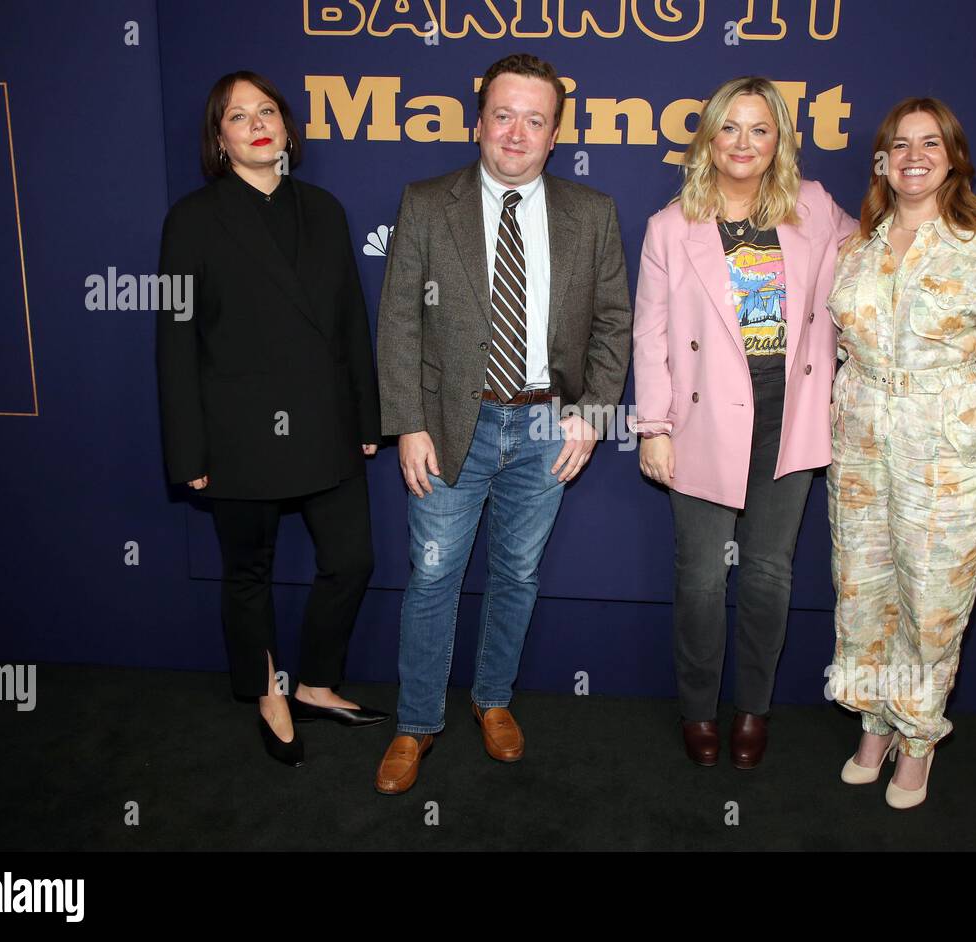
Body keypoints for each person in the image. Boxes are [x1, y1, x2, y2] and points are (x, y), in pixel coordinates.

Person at [373, 53, 632, 795]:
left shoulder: (592, 213)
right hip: (451, 428)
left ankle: (493, 701)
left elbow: (614, 323)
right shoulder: (426, 202)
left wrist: (592, 415)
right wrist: (408, 425)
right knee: (431, 578)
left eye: (535, 119)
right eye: (503, 115)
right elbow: (397, 323)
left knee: (517, 573)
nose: (516, 132)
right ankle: (417, 722)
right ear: (477, 121)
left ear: (555, 134)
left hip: (547, 428)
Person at [826, 97, 976, 808]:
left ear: (953, 156)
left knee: (932, 596)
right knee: (863, 585)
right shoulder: (860, 240)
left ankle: (919, 737)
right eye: (899, 144)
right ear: (881, 159)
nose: (913, 156)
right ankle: (874, 721)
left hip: (944, 432)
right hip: (863, 428)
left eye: (930, 143)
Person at [156, 71, 389, 768]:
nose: (257, 123)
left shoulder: (324, 209)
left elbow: (351, 321)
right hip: (239, 432)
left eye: (268, 111)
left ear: (287, 128)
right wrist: (186, 449)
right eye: (238, 115)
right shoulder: (192, 219)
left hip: (325, 420)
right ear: (219, 138)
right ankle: (267, 691)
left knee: (352, 560)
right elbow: (174, 342)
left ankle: (316, 682)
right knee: (248, 572)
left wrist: (368, 416)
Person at [628, 76, 857, 769]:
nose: (744, 143)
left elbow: (877, 259)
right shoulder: (670, 228)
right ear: (708, 137)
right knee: (700, 579)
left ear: (779, 139)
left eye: (760, 129)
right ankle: (700, 709)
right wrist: (654, 427)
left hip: (790, 424)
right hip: (702, 427)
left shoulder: (814, 207)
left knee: (767, 576)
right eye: (730, 127)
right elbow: (650, 335)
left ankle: (753, 710)